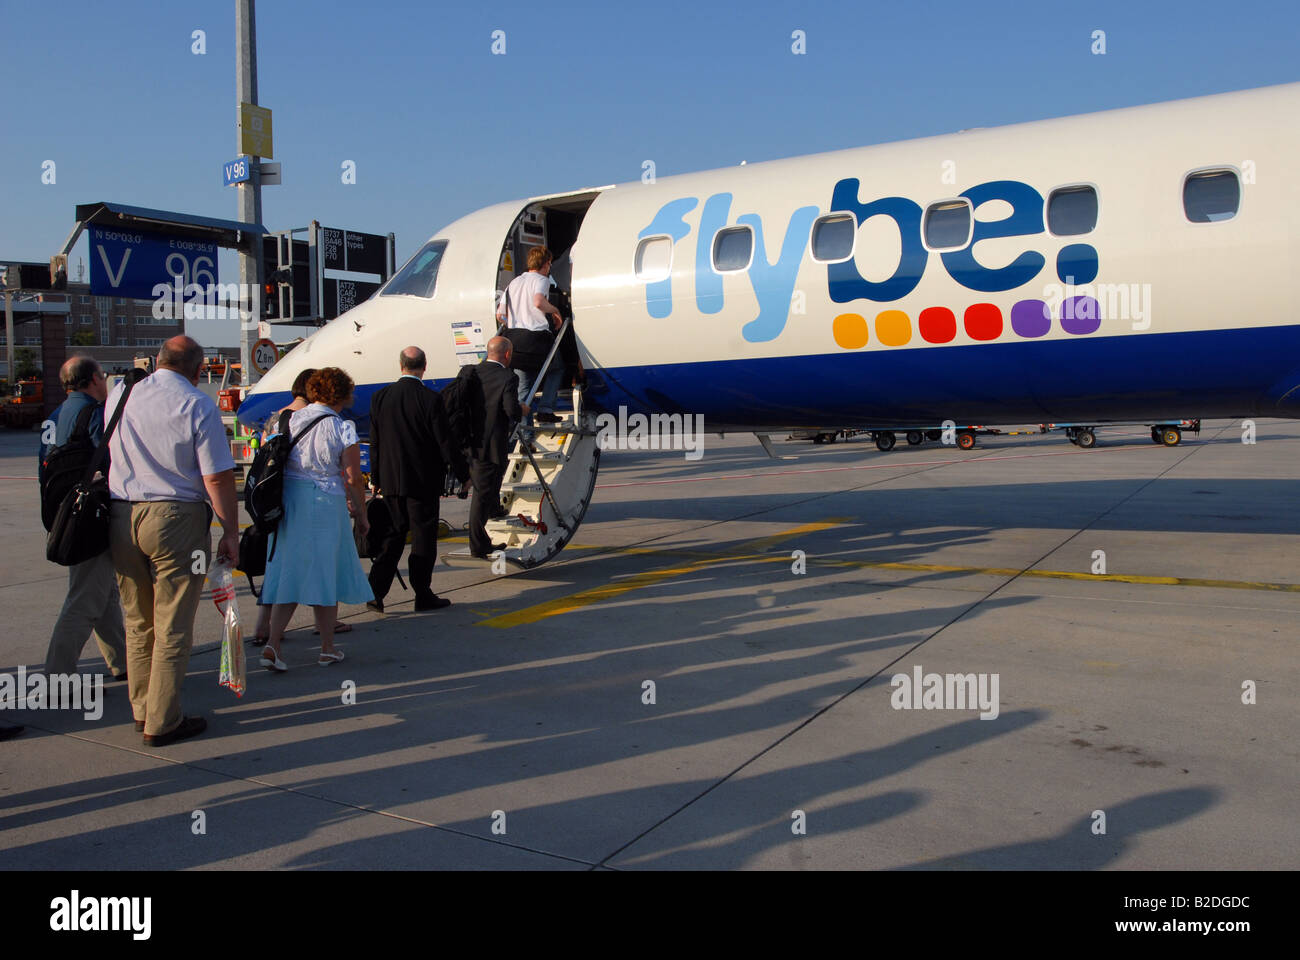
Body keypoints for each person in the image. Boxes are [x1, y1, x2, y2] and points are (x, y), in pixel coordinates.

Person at [106, 336, 239, 747]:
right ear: (199, 370)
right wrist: (230, 530)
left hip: (121, 514)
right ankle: (163, 720)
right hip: (176, 518)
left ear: (157, 361)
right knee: (174, 622)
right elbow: (215, 476)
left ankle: (142, 708)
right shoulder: (197, 404)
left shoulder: (119, 396)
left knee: (138, 621)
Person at [259, 368, 371, 672]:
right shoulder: (342, 427)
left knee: (290, 571)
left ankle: (273, 643)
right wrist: (361, 514)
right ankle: (327, 648)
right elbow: (352, 477)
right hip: (325, 501)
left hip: (290, 502)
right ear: (343, 395)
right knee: (325, 573)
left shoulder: (291, 419)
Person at [40, 356, 128, 682]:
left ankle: (122, 661)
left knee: (102, 594)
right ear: (93, 379)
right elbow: (108, 461)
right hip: (89, 516)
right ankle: (56, 677)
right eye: (102, 377)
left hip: (64, 513)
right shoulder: (92, 414)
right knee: (85, 599)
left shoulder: (54, 416)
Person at [248, 368, 350, 645]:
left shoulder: (277, 418)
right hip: (315, 498)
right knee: (320, 565)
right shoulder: (324, 420)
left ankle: (263, 626)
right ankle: (325, 630)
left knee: (279, 564)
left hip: (278, 498)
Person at [367, 347, 468, 613]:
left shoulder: (380, 397)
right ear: (425, 366)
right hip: (422, 481)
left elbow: (375, 442)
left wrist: (375, 477)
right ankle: (422, 593)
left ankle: (375, 593)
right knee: (423, 538)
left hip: (390, 480)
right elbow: (445, 442)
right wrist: (464, 475)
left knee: (393, 536)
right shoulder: (430, 399)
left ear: (400, 365)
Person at [496, 246, 564, 433]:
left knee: (524, 388)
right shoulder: (541, 280)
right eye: (549, 263)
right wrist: (555, 310)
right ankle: (545, 409)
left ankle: (525, 433)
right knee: (557, 368)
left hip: (515, 341)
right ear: (546, 264)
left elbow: (500, 314)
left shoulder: (514, 283)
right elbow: (538, 302)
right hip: (536, 338)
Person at [468, 336, 523, 558]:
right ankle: (478, 545)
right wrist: (522, 411)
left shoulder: (471, 372)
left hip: (472, 442)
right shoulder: (507, 377)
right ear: (507, 354)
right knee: (480, 495)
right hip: (491, 443)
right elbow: (511, 411)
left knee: (490, 484)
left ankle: (494, 508)